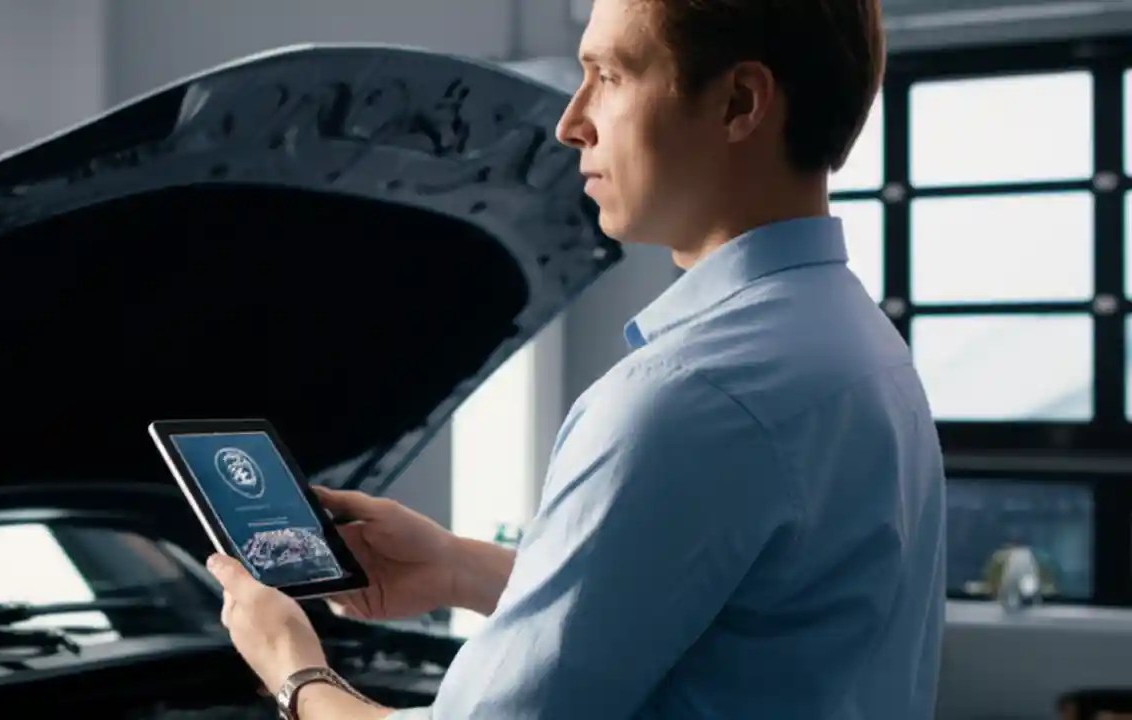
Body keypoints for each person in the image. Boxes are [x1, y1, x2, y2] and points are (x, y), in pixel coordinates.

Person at [205, 0, 947, 717]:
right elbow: (730, 619)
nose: (570, 122)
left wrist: (293, 670)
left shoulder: (685, 398)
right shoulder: (861, 346)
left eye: (611, 74)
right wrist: (456, 566)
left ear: (739, 103)